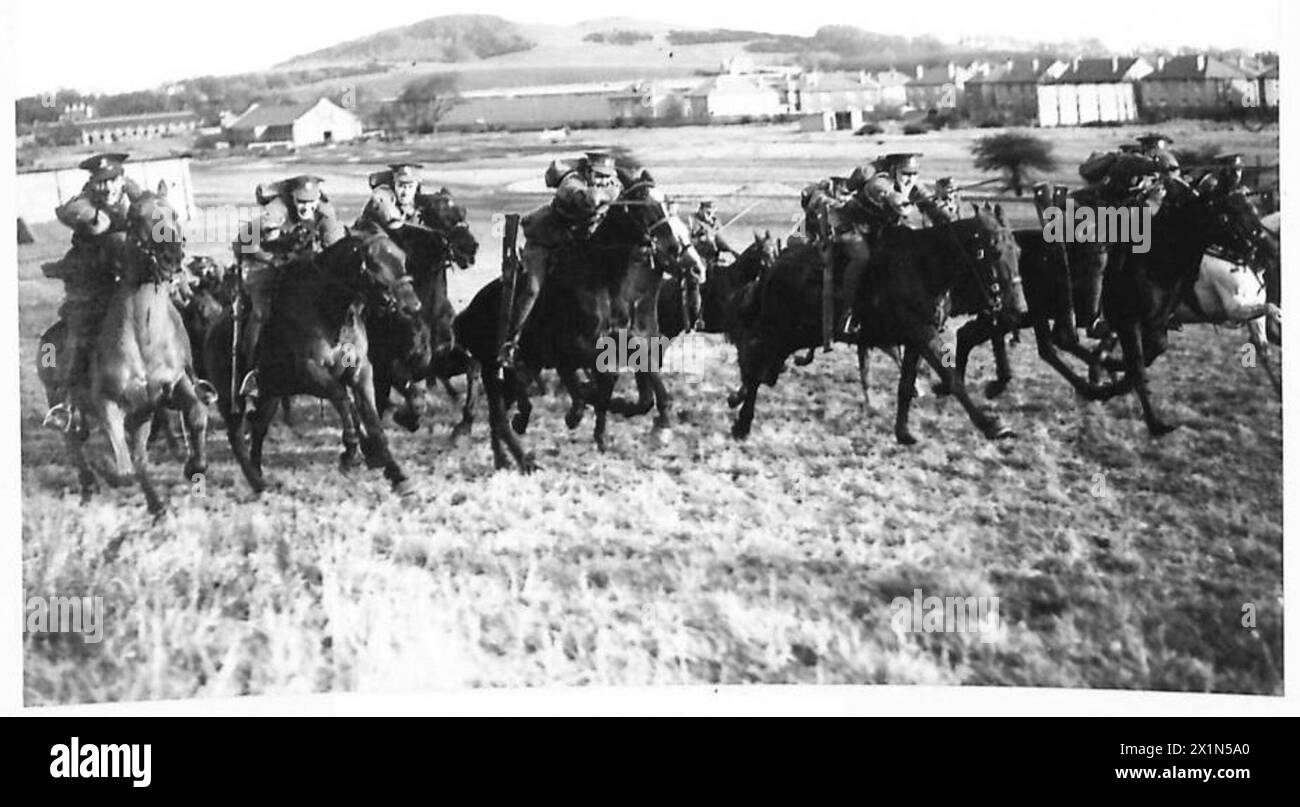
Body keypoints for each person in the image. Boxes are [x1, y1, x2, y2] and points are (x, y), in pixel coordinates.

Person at [44, 153, 145, 430]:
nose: (107, 188)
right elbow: (68, 210)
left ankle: (189, 383)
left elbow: (158, 215)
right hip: (93, 286)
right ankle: (65, 401)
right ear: (92, 184)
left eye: (112, 181)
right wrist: (98, 217)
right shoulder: (82, 204)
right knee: (79, 335)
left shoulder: (138, 197)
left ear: (122, 179)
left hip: (133, 280)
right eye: (100, 183)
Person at [500, 151, 622, 367]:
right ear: (587, 171)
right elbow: (590, 200)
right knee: (532, 290)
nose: (604, 180)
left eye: (607, 176)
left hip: (573, 243)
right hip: (544, 241)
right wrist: (610, 192)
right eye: (599, 176)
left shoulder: (610, 183)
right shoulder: (571, 183)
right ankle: (511, 341)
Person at [239, 175, 346, 399]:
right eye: (301, 202)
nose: (306, 207)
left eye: (310, 202)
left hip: (301, 265)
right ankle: (252, 373)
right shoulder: (276, 211)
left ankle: (346, 359)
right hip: (263, 264)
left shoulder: (326, 213)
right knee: (260, 312)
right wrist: (270, 258)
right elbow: (244, 243)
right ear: (292, 199)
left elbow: (335, 249)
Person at [832, 153, 950, 336]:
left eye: (914, 174)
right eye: (905, 173)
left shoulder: (914, 186)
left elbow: (929, 203)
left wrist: (944, 214)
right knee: (862, 258)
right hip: (852, 225)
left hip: (880, 230)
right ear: (894, 171)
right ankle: (848, 311)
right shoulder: (880, 181)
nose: (910, 178)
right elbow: (884, 192)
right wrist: (896, 198)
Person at [1069, 149, 1164, 338]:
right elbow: (1124, 219)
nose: (1145, 182)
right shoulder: (1090, 197)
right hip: (1092, 242)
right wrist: (1152, 203)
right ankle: (1093, 319)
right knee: (1099, 259)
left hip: (1107, 235)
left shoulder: (1118, 194)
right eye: (1142, 178)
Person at [354, 162, 435, 235]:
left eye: (410, 187)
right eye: (400, 186)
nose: (405, 192)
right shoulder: (383, 198)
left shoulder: (420, 201)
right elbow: (394, 225)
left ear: (417, 187)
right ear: (394, 184)